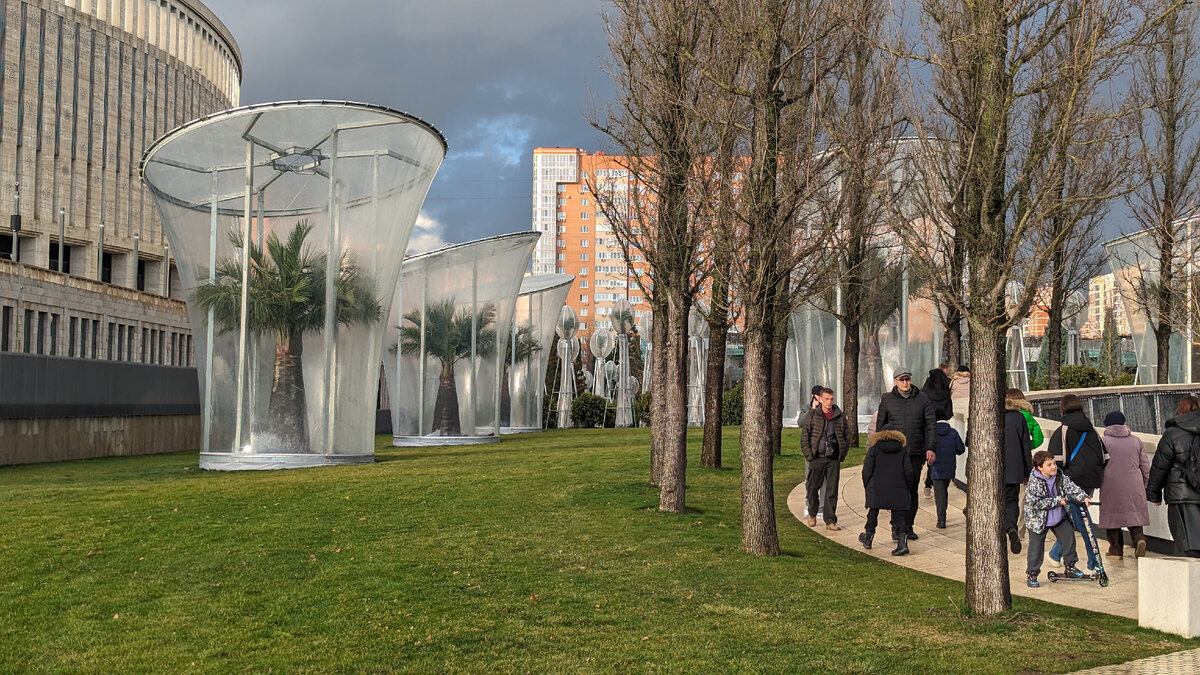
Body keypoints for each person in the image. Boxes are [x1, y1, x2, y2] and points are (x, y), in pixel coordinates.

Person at [1046, 393, 1109, 569]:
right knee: (1075, 517)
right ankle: (1055, 554)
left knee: (1082, 521)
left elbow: (1055, 463)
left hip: (1071, 481)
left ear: (1062, 408)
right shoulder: (1092, 431)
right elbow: (1106, 457)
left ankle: (1094, 562)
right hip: (1091, 479)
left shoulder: (1063, 431)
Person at [875, 367, 936, 541]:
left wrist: (930, 448)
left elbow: (930, 425)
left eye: (907, 379)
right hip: (895, 453)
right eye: (901, 380)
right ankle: (896, 526)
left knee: (911, 490)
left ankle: (908, 526)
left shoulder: (923, 399)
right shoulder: (887, 400)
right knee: (897, 490)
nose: (905, 383)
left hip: (915, 453)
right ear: (895, 381)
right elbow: (881, 427)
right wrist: (881, 449)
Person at [1024, 450, 1092, 588]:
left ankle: (1070, 566)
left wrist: (1083, 497)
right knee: (1036, 548)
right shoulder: (1033, 482)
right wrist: (1057, 501)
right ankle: (1032, 573)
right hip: (1038, 520)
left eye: (1054, 463)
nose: (1054, 467)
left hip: (1058, 517)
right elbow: (1035, 503)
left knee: (1068, 538)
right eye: (1049, 465)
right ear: (1040, 468)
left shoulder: (1059, 475)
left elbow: (1071, 487)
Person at [1146, 395, 1200, 558]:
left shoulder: (1172, 434)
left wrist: (1154, 494)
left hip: (1181, 496)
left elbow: (1160, 466)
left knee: (1186, 544)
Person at [800, 388, 853, 531]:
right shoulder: (813, 415)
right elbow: (805, 436)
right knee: (812, 487)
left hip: (833, 458)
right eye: (827, 399)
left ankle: (830, 520)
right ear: (821, 399)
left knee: (832, 490)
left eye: (831, 399)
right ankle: (812, 511)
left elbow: (847, 435)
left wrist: (842, 453)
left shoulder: (838, 415)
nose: (829, 402)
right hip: (817, 457)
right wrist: (809, 455)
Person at [1098, 410, 1150, 558]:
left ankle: (1115, 549)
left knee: (1113, 518)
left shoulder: (1103, 441)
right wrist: (1146, 484)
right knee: (1133, 515)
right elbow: (1145, 465)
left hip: (1110, 484)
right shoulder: (1136, 440)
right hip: (1134, 483)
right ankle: (1139, 539)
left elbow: (1098, 464)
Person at [859, 426, 916, 556]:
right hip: (898, 487)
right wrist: (907, 486)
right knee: (900, 516)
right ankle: (902, 544)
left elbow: (867, 470)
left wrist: (868, 486)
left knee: (873, 513)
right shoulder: (902, 451)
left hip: (877, 487)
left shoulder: (874, 450)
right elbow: (909, 471)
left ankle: (868, 538)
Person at [1003, 388, 1035, 554]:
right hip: (1014, 469)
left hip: (993, 470)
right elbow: (1026, 447)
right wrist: (1027, 472)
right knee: (1011, 502)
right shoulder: (1019, 418)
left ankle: (1003, 529)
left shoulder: (989, 415)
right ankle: (1012, 528)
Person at [921, 363, 953, 498]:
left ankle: (928, 484)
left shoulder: (926, 392)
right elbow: (949, 412)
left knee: (930, 453)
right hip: (942, 425)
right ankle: (932, 482)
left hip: (927, 427)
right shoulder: (945, 393)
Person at [930, 408, 965, 528]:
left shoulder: (931, 433)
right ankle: (942, 516)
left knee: (939, 494)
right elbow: (961, 449)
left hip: (936, 468)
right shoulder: (953, 432)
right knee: (944, 491)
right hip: (950, 467)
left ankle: (941, 519)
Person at [799, 384, 825, 520]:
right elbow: (801, 423)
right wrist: (813, 410)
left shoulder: (828, 407)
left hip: (824, 450)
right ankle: (810, 505)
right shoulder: (807, 408)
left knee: (825, 479)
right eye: (818, 395)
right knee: (810, 478)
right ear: (813, 396)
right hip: (811, 450)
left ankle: (822, 508)